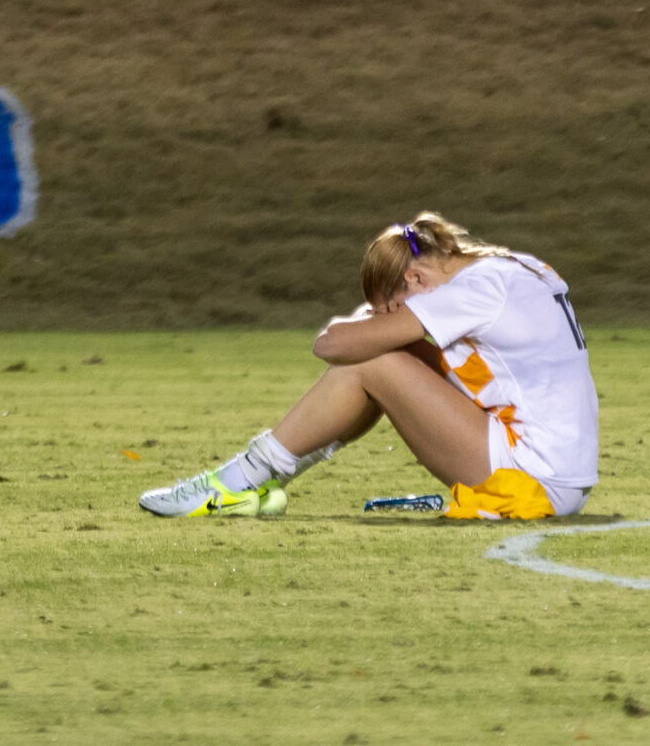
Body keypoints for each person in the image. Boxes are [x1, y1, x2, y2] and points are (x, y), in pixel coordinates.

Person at [139, 212, 598, 520]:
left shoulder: (470, 291)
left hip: (533, 478)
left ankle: (238, 482)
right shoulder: (514, 265)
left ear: (415, 277)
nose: (395, 317)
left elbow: (332, 347)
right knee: (400, 355)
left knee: (372, 361)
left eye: (393, 306)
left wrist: (368, 326)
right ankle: (258, 479)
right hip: (559, 469)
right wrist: (390, 324)